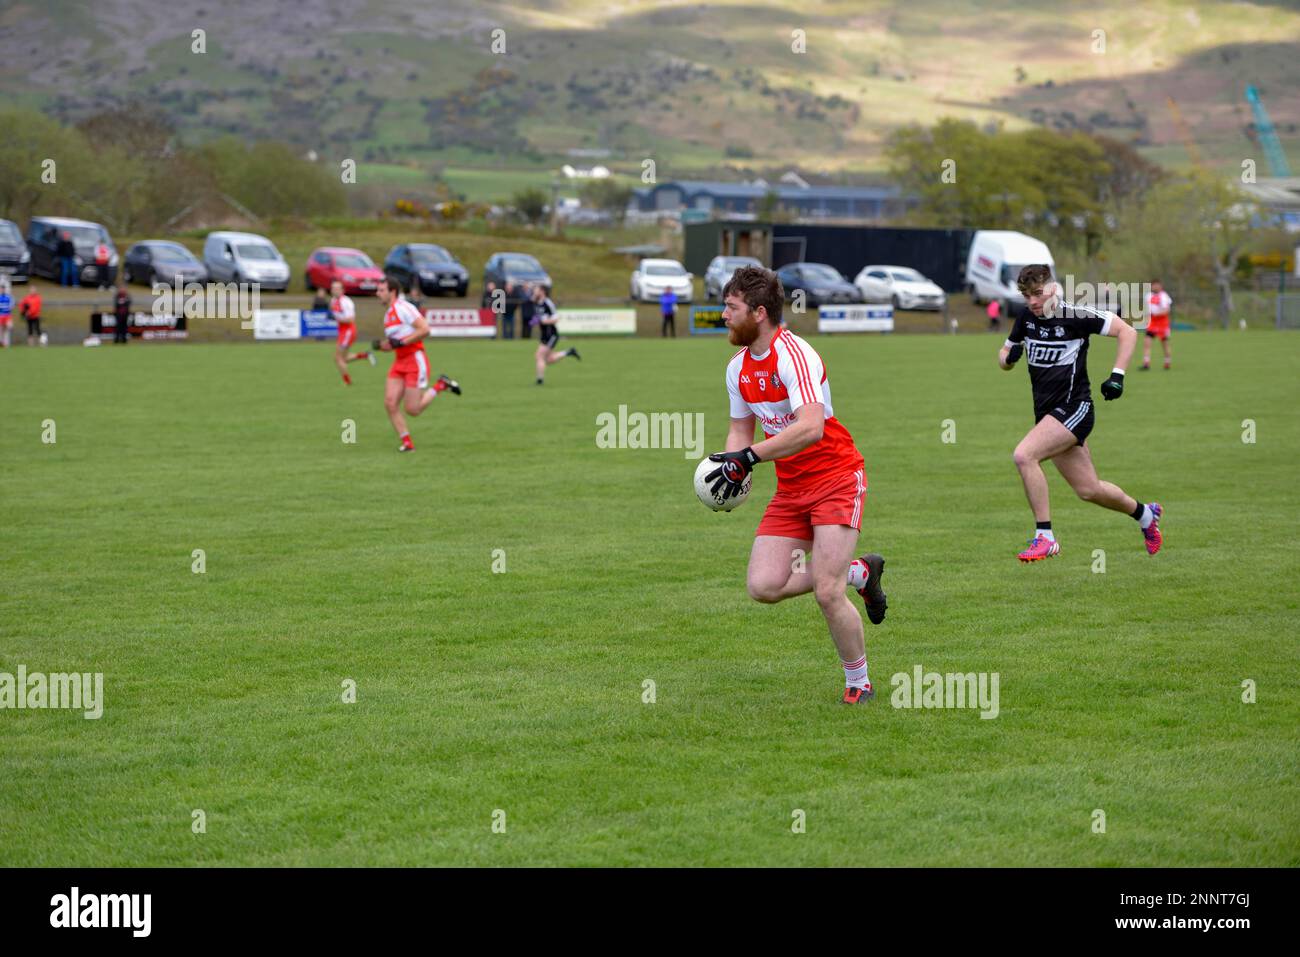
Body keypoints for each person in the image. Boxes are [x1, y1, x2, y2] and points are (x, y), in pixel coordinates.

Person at [705, 266, 888, 705]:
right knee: (763, 586)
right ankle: (860, 572)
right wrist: (734, 467)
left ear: (760, 312)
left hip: (837, 478)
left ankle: (858, 683)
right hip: (791, 488)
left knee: (827, 590)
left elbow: (810, 429)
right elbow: (740, 431)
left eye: (731, 308)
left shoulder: (794, 354)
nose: (723, 316)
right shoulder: (737, 368)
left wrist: (750, 458)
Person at [998, 264, 1162, 563]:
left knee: (1024, 456)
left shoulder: (1076, 315)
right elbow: (1003, 355)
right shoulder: (1025, 317)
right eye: (1026, 295)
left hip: (1076, 409)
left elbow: (1127, 331)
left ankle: (1045, 537)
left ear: (1053, 288)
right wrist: (1009, 359)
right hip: (1048, 417)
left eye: (1038, 293)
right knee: (1089, 489)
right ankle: (1145, 514)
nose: (1033, 301)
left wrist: (1118, 375)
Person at [373, 277, 460, 452]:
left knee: (412, 410)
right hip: (399, 362)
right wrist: (383, 346)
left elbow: (425, 329)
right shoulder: (388, 315)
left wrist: (402, 342)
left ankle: (440, 385)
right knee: (390, 403)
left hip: (414, 360)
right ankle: (407, 443)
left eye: (381, 290)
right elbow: (395, 343)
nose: (377, 294)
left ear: (392, 292)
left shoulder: (404, 308)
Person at [532, 284, 580, 384]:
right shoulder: (538, 303)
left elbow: (556, 318)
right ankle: (569, 352)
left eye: (536, 289)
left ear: (542, 291)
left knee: (539, 356)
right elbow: (541, 317)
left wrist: (544, 321)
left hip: (551, 335)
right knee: (549, 359)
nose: (534, 291)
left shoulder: (548, 303)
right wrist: (536, 320)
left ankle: (539, 380)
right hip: (544, 334)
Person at [328, 279, 373, 385]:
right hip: (342, 331)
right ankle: (364, 355)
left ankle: (347, 381)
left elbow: (350, 319)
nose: (335, 290)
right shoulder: (333, 300)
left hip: (348, 331)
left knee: (338, 358)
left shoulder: (346, 302)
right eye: (333, 288)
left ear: (343, 290)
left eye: (338, 288)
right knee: (344, 358)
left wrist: (336, 318)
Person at [1141, 280, 1172, 371]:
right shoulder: (1148, 296)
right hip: (1152, 323)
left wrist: (1156, 314)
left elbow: (1166, 310)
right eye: (1153, 285)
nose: (1154, 287)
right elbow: (1146, 309)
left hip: (1162, 323)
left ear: (1160, 286)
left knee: (1165, 344)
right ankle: (1146, 363)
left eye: (1156, 285)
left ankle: (1167, 362)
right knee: (1147, 342)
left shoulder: (1164, 296)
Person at [0, 276, 12, 349]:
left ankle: (6, 343)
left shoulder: (8, 297)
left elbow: (10, 306)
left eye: (3, 288)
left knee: (8, 328)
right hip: (0, 316)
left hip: (7, 316)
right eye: (1, 289)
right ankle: (1, 342)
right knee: (0, 330)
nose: (2, 290)